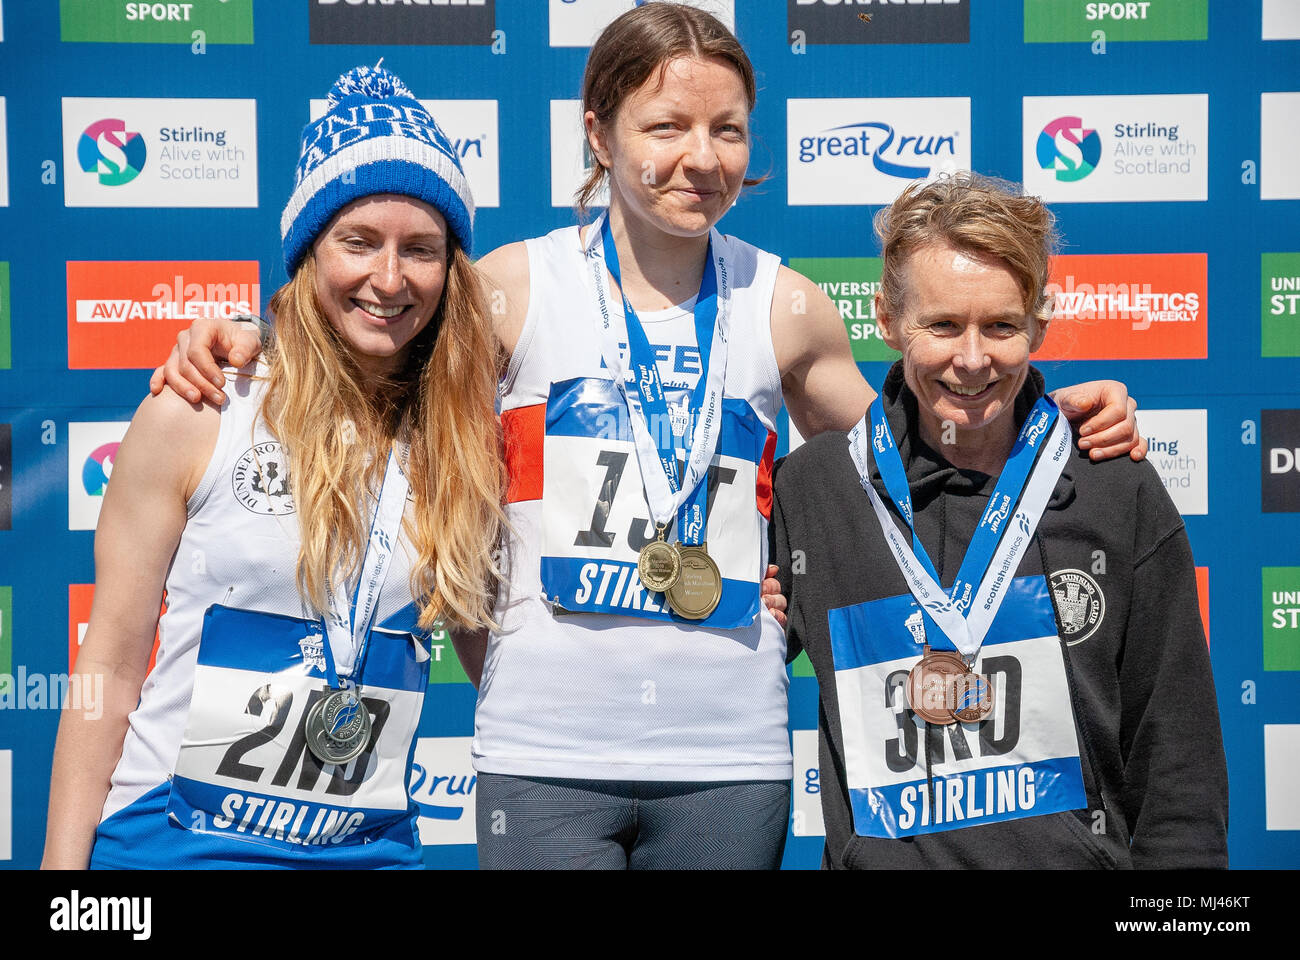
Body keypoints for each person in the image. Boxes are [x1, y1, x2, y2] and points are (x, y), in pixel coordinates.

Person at [150, 6, 1143, 870]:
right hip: (542, 750)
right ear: (598, 133)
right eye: (664, 126)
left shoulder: (786, 307)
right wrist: (250, 344)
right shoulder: (507, 289)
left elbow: (926, 439)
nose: (699, 158)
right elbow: (365, 362)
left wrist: (1053, 413)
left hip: (728, 757)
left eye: (727, 130)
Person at [42, 66, 504, 869]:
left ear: (451, 270)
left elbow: (503, 657)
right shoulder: (202, 408)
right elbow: (110, 660)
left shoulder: (460, 442)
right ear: (307, 253)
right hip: (176, 846)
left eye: (420, 250)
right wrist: (60, 880)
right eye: (357, 243)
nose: (388, 280)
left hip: (369, 851)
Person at [770, 171, 1228, 869]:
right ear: (888, 321)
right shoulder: (819, 486)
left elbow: (1178, 764)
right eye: (944, 325)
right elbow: (724, 663)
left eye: (1003, 326)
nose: (974, 360)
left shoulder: (1110, 478)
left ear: (1040, 323)